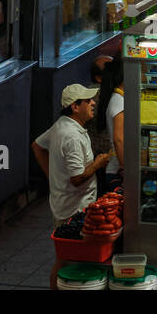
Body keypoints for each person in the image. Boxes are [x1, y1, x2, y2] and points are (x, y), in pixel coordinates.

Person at [32, 83, 110, 288]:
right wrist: (98, 164)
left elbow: (37, 146)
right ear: (75, 107)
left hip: (63, 201)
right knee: (71, 261)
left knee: (65, 257)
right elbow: (77, 178)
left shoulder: (61, 125)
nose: (93, 103)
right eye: (87, 101)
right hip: (73, 208)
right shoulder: (72, 136)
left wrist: (53, 177)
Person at [93, 58, 125, 191]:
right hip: (117, 171)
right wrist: (127, 170)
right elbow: (118, 140)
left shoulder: (119, 98)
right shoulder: (118, 101)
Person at [88, 55, 114, 194]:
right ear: (98, 78)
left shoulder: (114, 93)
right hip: (98, 161)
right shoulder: (91, 98)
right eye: (110, 70)